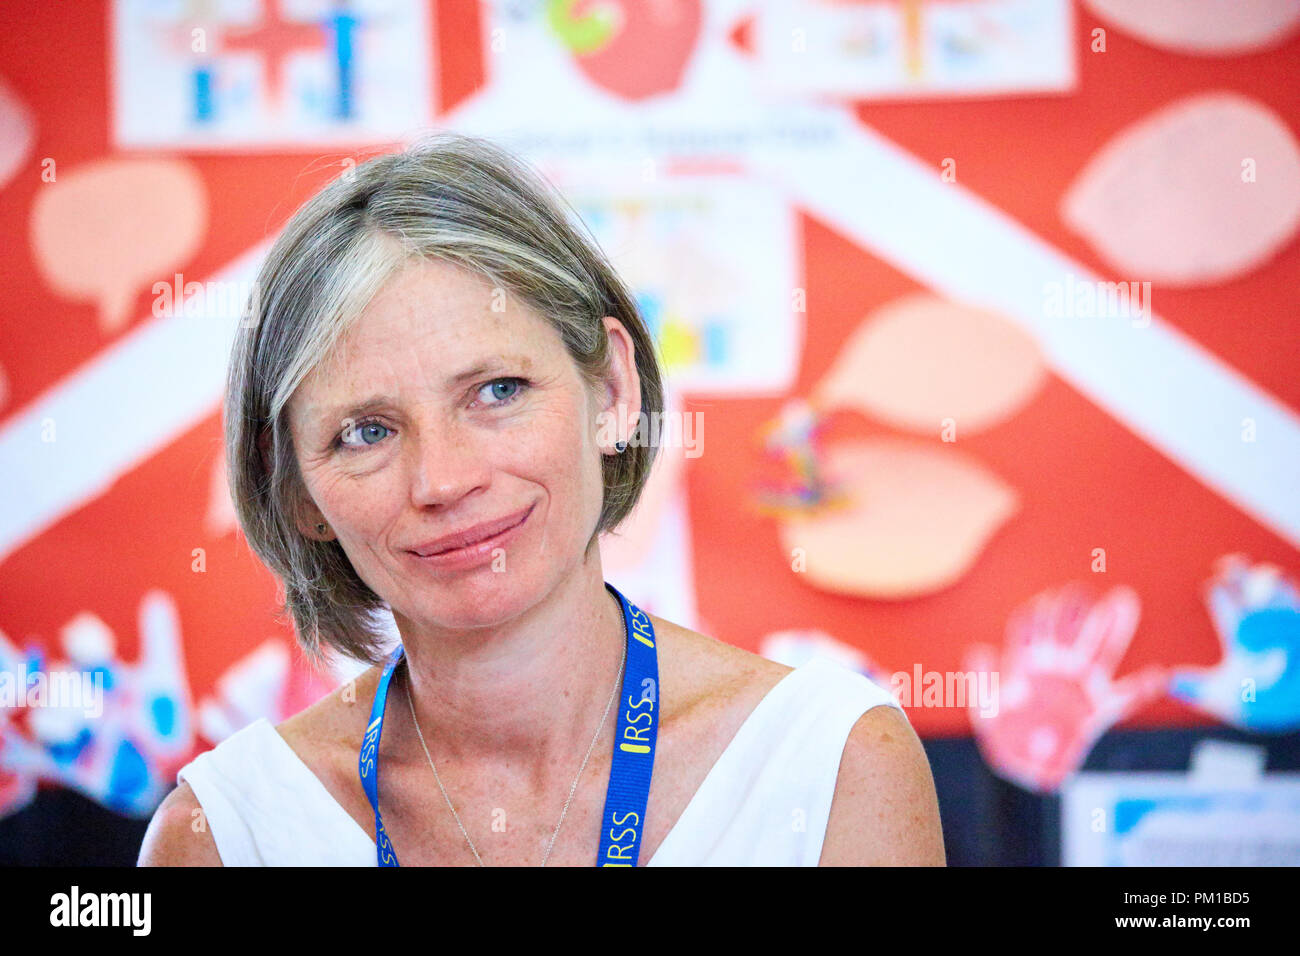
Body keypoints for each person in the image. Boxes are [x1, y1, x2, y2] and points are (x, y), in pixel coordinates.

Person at [137, 131, 945, 866]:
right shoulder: (223, 836)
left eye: (497, 390)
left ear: (613, 391)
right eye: (366, 432)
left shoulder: (831, 769)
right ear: (299, 491)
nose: (444, 480)